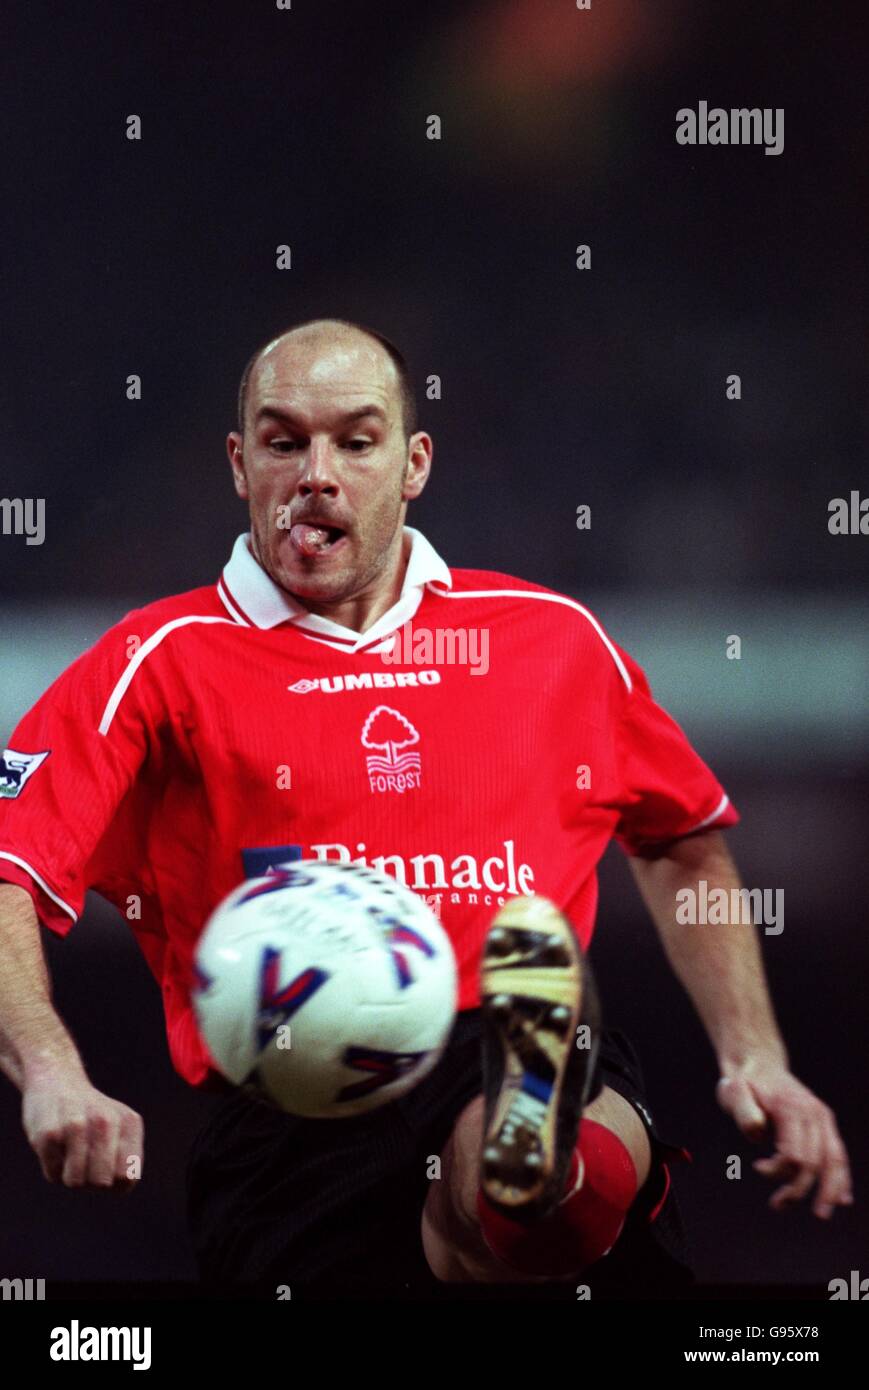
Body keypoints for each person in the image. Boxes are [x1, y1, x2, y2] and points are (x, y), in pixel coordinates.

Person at [0, 319, 853, 1296]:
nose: (316, 473)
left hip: (490, 1024)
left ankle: (535, 1158)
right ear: (240, 466)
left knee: (517, 1185)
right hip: (291, 1100)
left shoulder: (548, 639)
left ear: (413, 465)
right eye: (284, 442)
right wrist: (50, 1066)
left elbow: (679, 835)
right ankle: (528, 1181)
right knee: (474, 1232)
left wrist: (756, 1055)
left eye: (355, 442)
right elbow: (8, 866)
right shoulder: (154, 661)